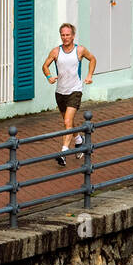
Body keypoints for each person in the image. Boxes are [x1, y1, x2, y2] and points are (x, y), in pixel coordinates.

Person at [41, 22, 96, 166]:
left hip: (75, 90)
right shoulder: (55, 52)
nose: (65, 38)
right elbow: (45, 66)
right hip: (60, 92)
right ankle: (79, 140)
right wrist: (49, 77)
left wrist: (89, 75)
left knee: (67, 122)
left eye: (68, 35)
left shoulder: (80, 50)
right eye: (63, 35)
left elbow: (93, 59)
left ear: (73, 36)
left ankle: (63, 153)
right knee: (68, 122)